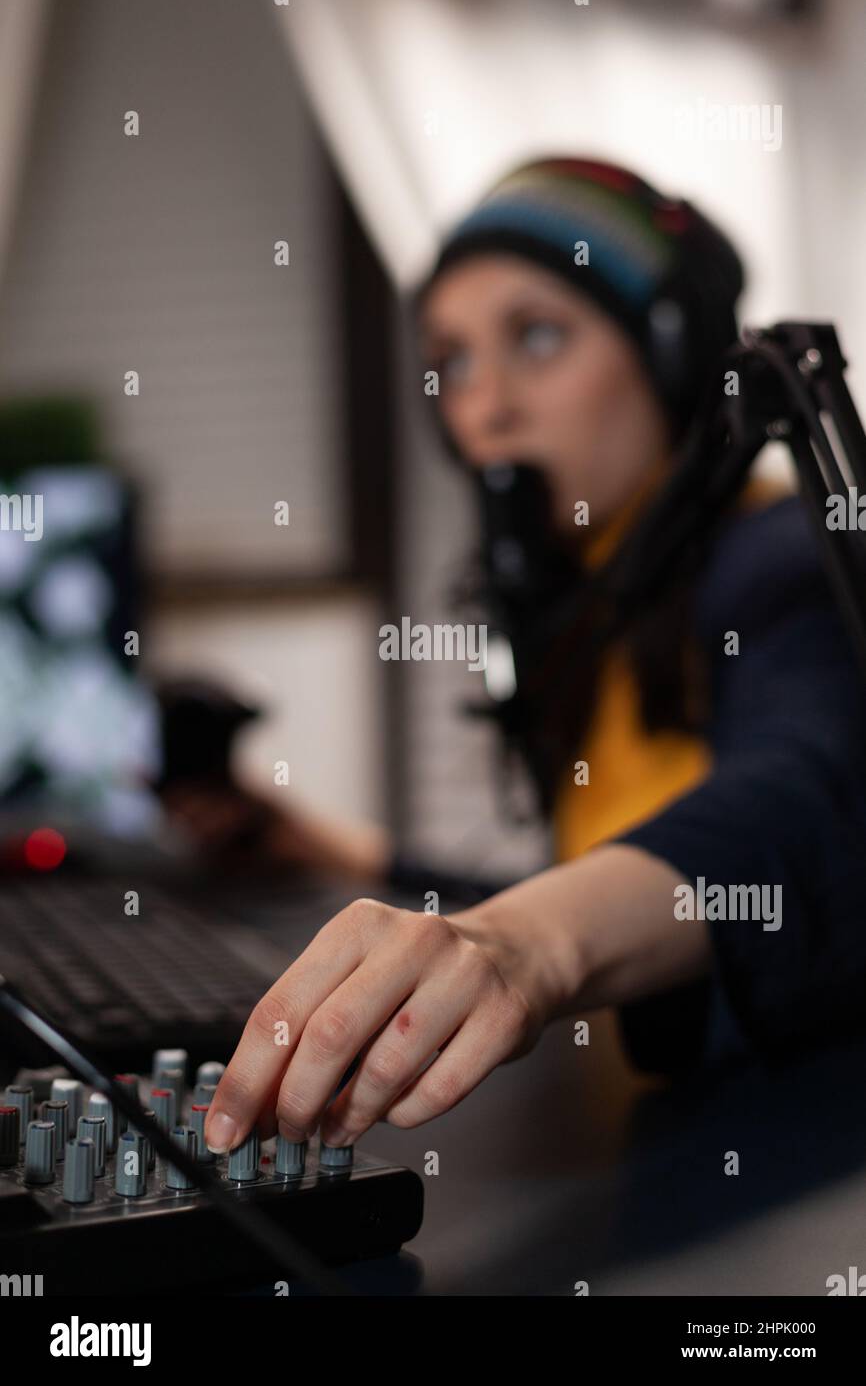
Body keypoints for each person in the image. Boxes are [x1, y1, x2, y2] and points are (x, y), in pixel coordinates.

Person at [201, 157, 866, 1160]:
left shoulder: (778, 559)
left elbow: (798, 797)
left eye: (538, 337)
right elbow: (594, 877)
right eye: (453, 362)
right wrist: (340, 852)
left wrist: (524, 944)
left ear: (672, 358)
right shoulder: (597, 601)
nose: (485, 408)